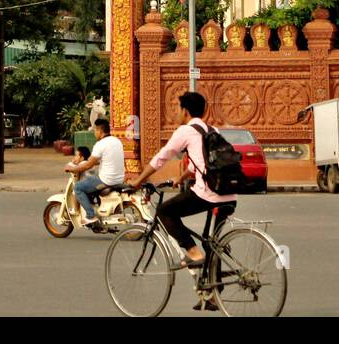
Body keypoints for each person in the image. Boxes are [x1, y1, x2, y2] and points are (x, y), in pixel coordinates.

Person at [129, 90, 237, 276]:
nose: (177, 113)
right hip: (229, 194)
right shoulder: (213, 130)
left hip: (208, 193)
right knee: (212, 242)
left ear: (186, 111)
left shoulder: (185, 131)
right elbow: (207, 162)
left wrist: (139, 181)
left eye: (178, 109)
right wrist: (182, 177)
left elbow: (161, 157)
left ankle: (193, 253)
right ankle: (212, 296)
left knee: (164, 211)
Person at [64, 118, 125, 225]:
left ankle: (90, 215)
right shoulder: (117, 141)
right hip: (119, 179)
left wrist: (72, 168)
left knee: (78, 187)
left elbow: (87, 165)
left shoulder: (100, 144)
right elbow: (98, 160)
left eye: (95, 131)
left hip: (106, 180)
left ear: (99, 131)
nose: (94, 133)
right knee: (90, 179)